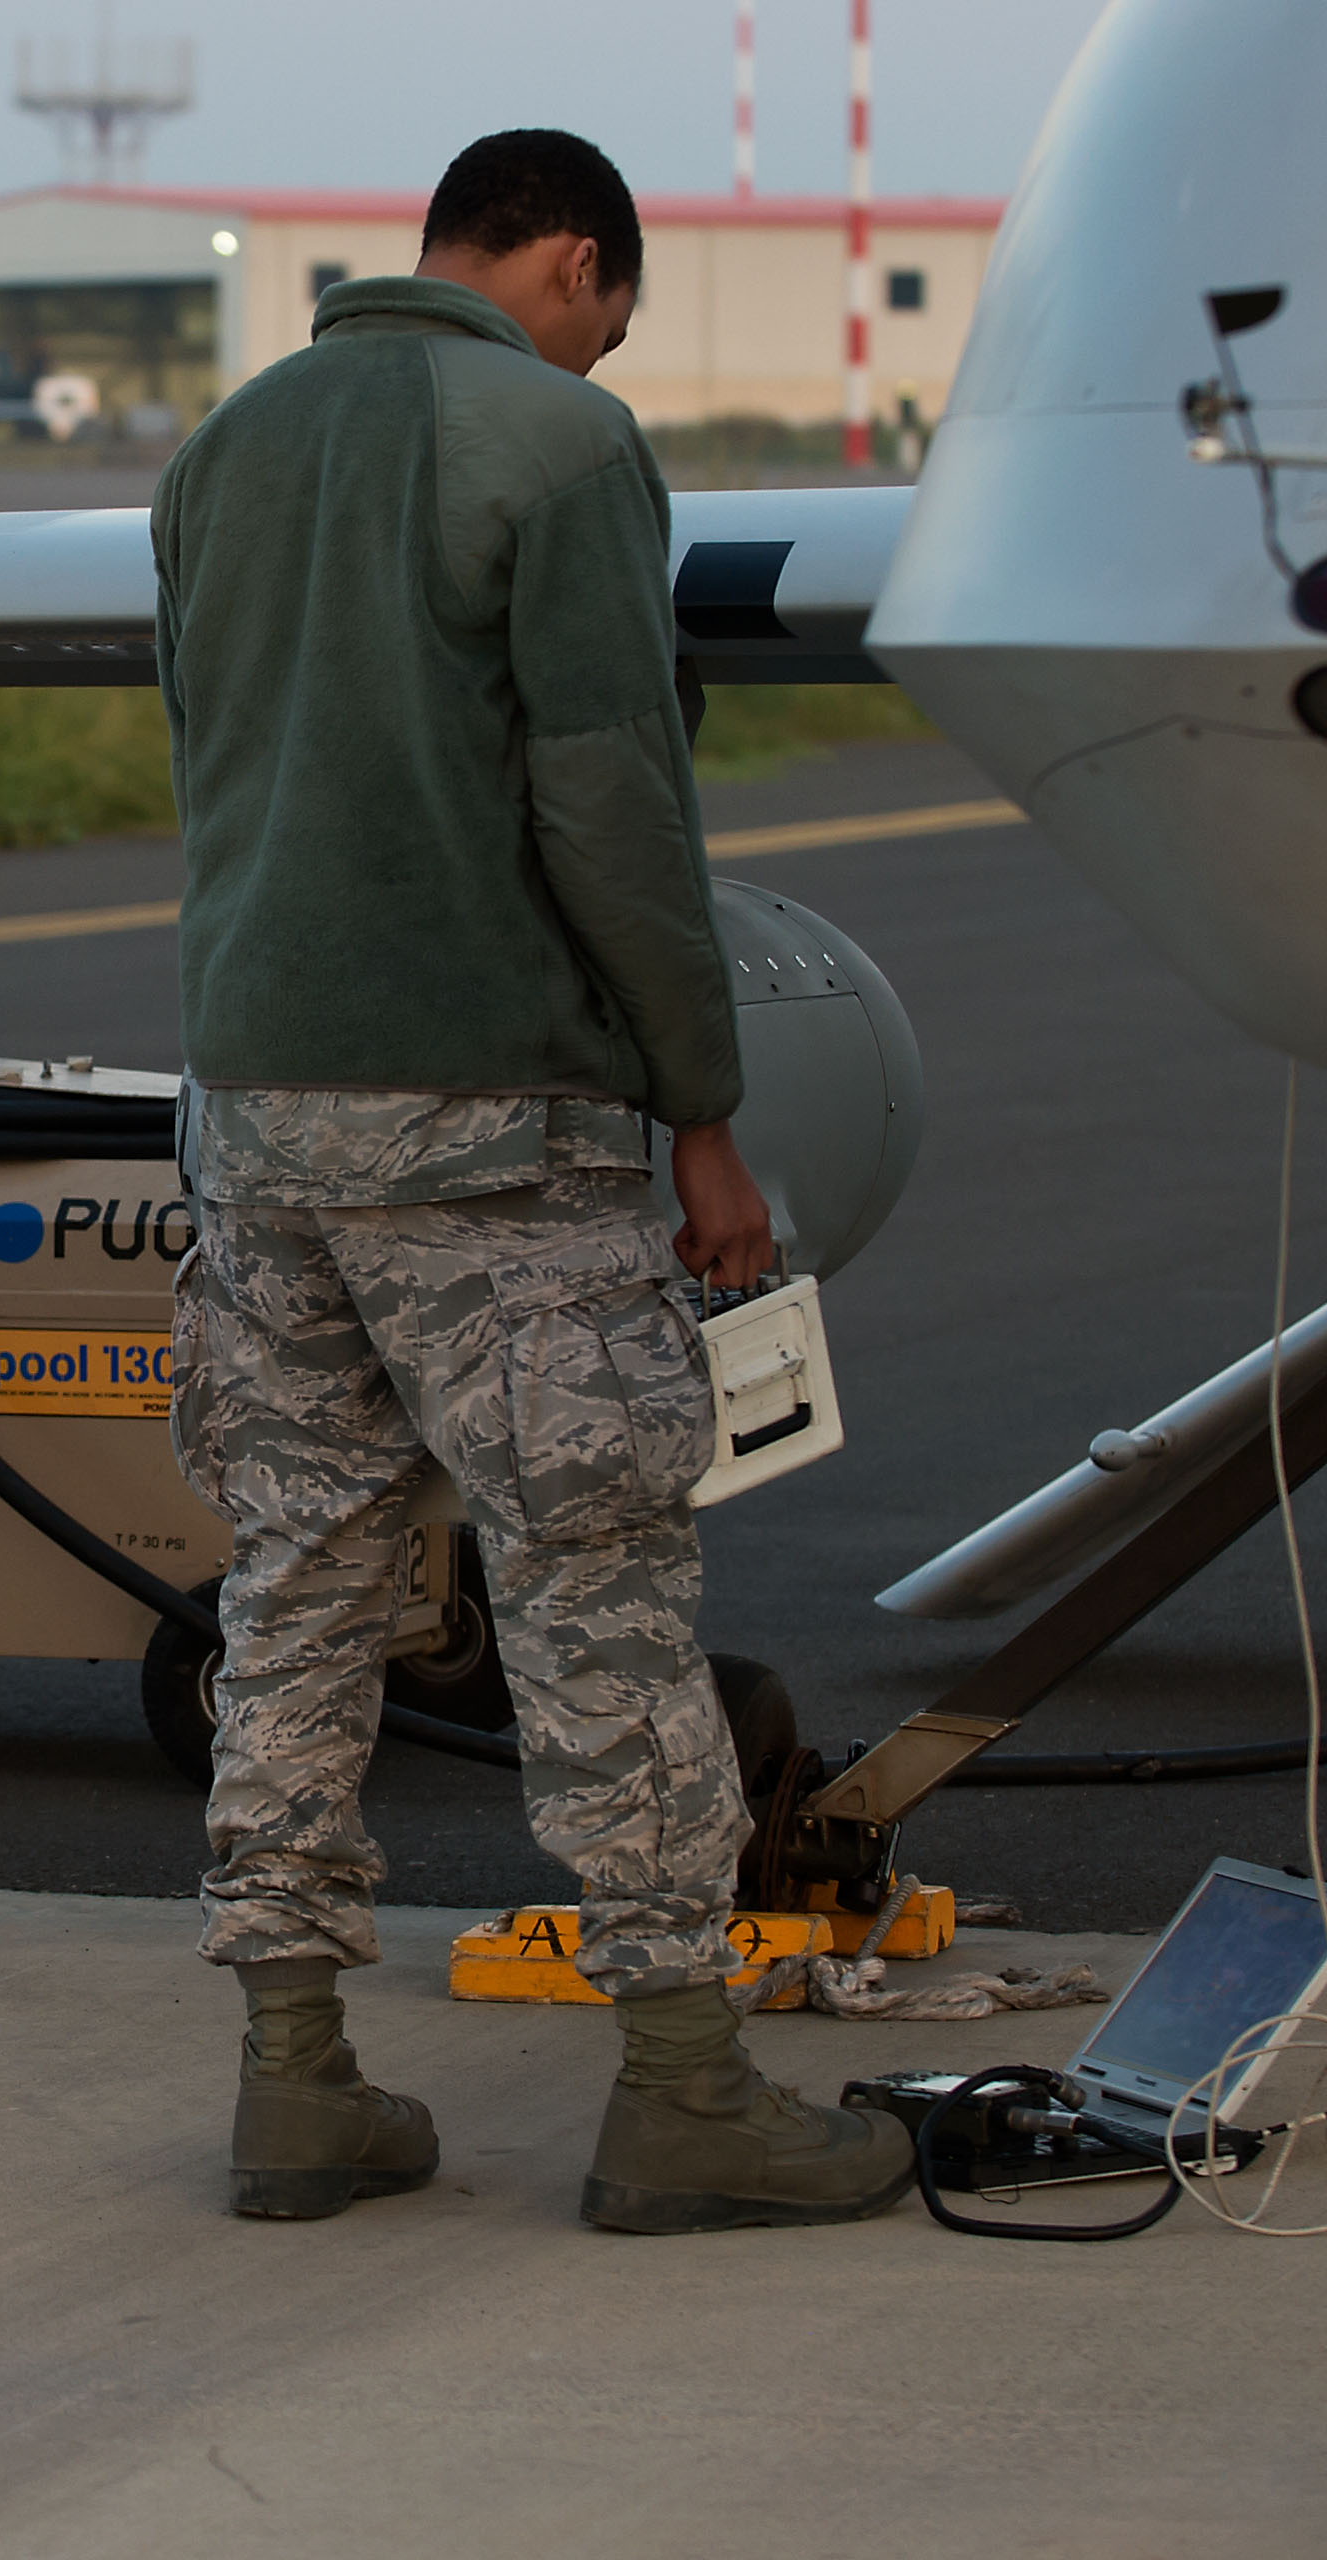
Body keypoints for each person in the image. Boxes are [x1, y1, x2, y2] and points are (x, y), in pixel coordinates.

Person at [152, 127, 908, 2233]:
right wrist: (702, 1110)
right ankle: (682, 2087)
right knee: (595, 1585)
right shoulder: (558, 445)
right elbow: (611, 803)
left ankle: (294, 2076)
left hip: (257, 1110)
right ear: (573, 261)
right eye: (612, 318)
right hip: (492, 1125)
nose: (604, 356)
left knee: (300, 1583)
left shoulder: (224, 449)